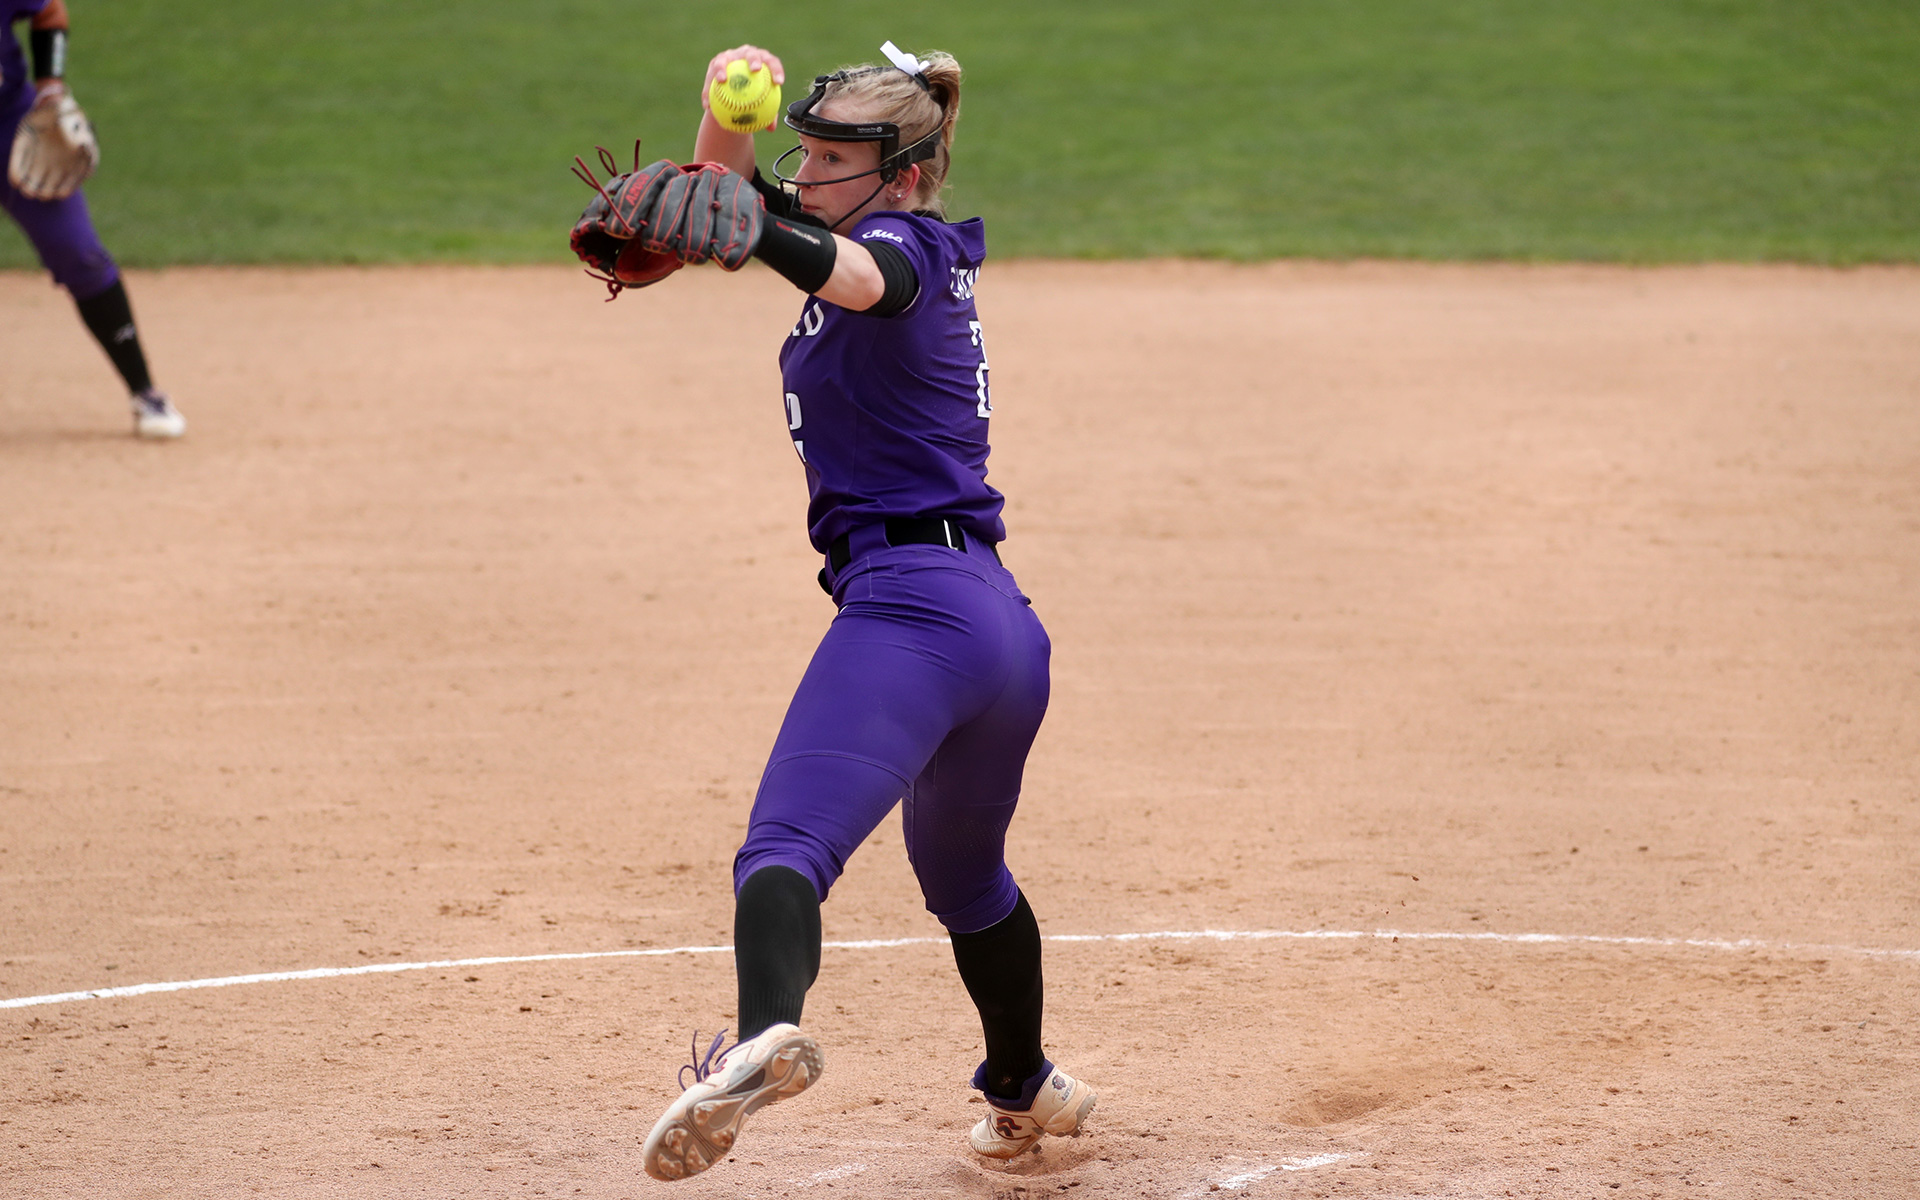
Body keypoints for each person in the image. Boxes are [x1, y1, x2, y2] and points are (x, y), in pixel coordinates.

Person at [628, 40, 1097, 1182]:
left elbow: (849, 272)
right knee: (967, 880)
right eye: (808, 151)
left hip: (912, 617)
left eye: (835, 157)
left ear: (902, 170)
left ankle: (758, 1041)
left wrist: (765, 226)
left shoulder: (903, 246)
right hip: (996, 629)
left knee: (784, 846)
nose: (811, 169)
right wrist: (719, 120)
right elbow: (722, 206)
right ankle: (1026, 1090)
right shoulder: (864, 222)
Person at [3, 0, 183, 438]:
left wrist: (50, 89)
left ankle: (145, 392)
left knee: (78, 252)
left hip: (9, 123)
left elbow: (50, 13)